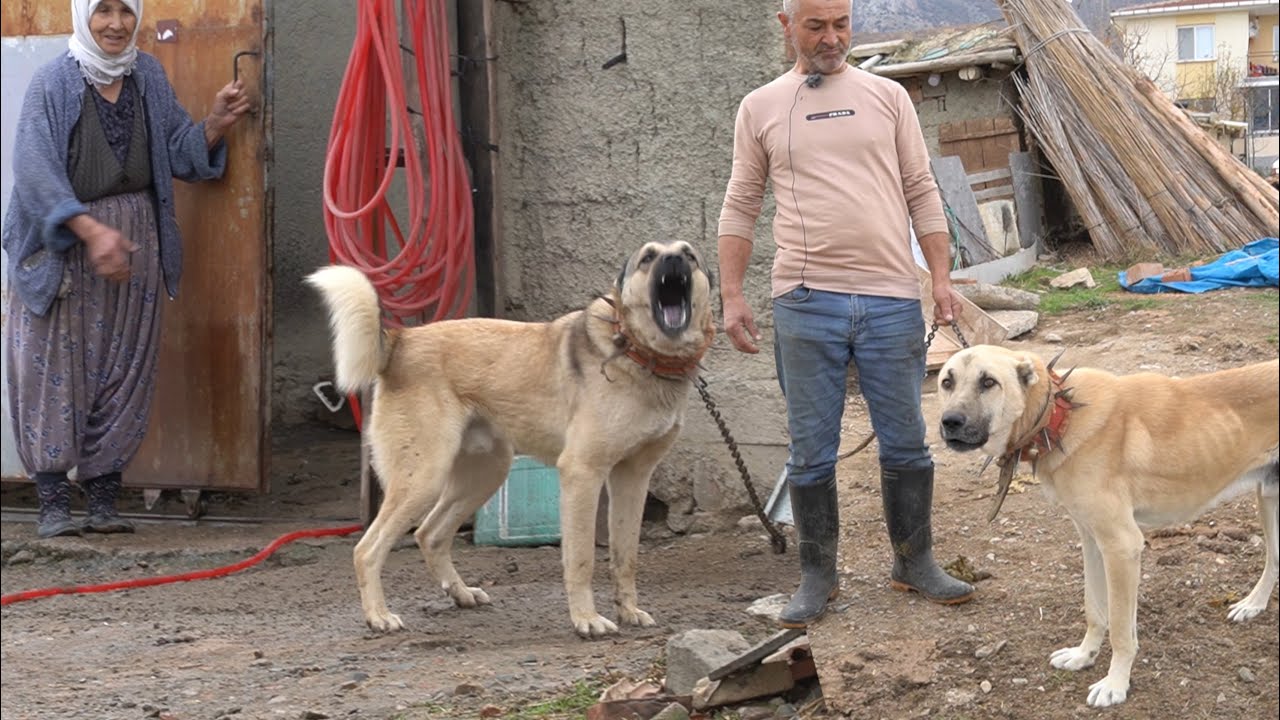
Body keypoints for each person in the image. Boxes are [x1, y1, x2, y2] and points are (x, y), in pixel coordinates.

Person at [717, 0, 974, 628]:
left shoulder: (888, 97)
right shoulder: (761, 107)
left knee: (906, 442)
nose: (831, 38)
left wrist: (941, 278)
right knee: (811, 451)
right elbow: (742, 203)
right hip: (806, 300)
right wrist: (730, 294)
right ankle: (817, 576)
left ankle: (914, 562)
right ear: (787, 26)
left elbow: (921, 188)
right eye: (815, 26)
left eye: (841, 24)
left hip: (889, 296)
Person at [2, 0, 252, 538]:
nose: (116, 24)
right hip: (64, 246)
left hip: (134, 240)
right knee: (51, 370)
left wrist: (214, 122)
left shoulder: (148, 76)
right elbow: (33, 171)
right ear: (82, 16)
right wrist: (91, 232)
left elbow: (178, 156)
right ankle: (53, 504)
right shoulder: (53, 83)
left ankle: (102, 502)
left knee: (123, 368)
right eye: (102, 11)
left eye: (124, 11)